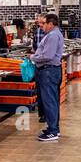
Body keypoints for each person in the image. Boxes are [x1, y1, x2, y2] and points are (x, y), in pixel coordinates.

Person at [29, 13, 65, 142]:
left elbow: (48, 56)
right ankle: (53, 128)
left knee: (49, 101)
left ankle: (53, 131)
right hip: (50, 71)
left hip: (49, 71)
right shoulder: (52, 35)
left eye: (43, 23)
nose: (41, 26)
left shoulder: (53, 35)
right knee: (52, 101)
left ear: (51, 24)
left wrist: (33, 57)